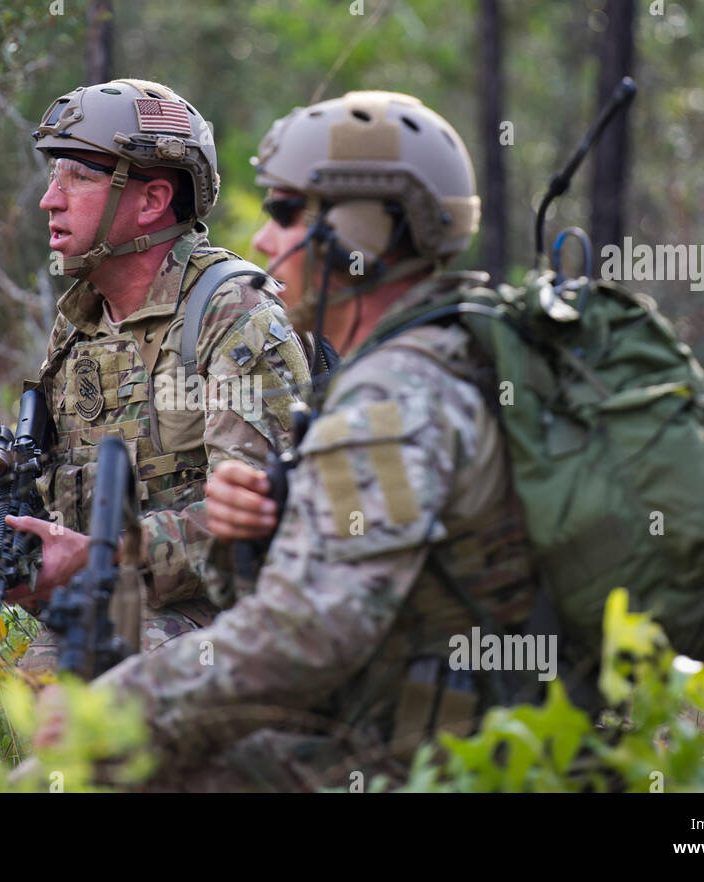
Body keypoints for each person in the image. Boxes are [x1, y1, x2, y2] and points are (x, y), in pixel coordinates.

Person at [56, 90, 544, 790]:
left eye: (287, 213)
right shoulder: (437, 356)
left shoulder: (393, 400)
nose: (262, 239)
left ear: (363, 235)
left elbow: (313, 631)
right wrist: (255, 527)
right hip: (447, 712)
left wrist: (119, 708)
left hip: (451, 747)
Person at [1, 78, 311, 671]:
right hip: (118, 599)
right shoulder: (80, 321)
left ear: (150, 201)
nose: (51, 199)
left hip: (232, 612)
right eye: (53, 174)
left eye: (80, 176)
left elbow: (258, 526)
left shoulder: (233, 313)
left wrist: (97, 557)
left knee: (67, 689)